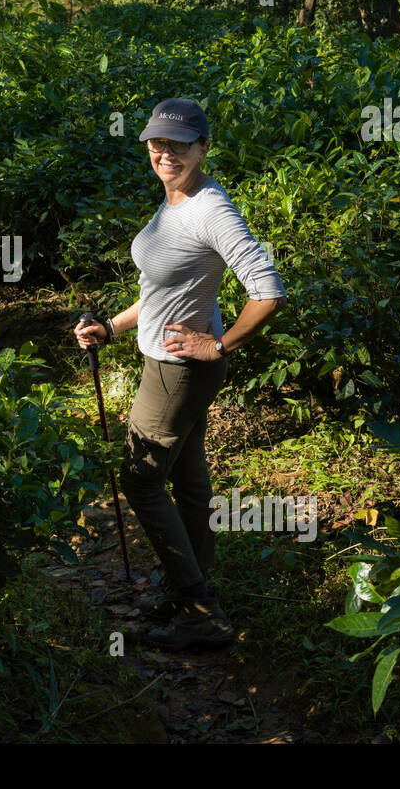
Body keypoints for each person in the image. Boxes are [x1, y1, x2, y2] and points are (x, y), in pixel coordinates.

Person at [73, 97, 288, 651]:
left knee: (141, 479)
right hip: (169, 365)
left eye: (178, 144)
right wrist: (113, 328)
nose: (165, 153)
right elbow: (161, 289)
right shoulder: (175, 201)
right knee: (188, 481)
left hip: (178, 371)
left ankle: (199, 610)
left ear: (203, 147)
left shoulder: (210, 209)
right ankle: (188, 585)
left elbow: (268, 290)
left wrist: (218, 344)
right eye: (157, 142)